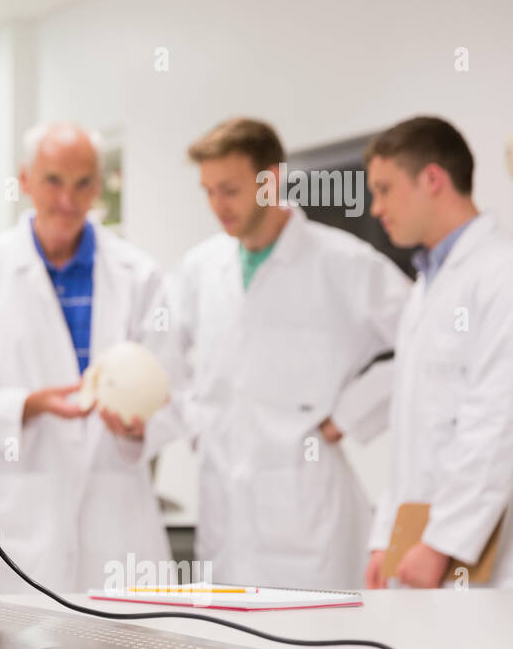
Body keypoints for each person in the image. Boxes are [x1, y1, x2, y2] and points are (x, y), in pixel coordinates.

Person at [149, 118, 411, 589]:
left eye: (228, 190)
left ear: (269, 181)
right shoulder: (200, 268)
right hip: (224, 507)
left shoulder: (342, 262)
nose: (216, 206)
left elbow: (419, 341)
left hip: (309, 510)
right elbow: (160, 352)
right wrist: (195, 418)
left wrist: (349, 415)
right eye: (207, 191)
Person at [0, 122, 171, 594]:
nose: (68, 198)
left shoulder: (140, 276)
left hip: (117, 517)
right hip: (23, 516)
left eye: (83, 182)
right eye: (53, 181)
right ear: (24, 180)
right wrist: (30, 404)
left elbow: (173, 387)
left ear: (99, 185)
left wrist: (140, 425)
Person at [363, 116, 513, 588]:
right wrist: (387, 536)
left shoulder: (500, 274)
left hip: (474, 548)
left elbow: (497, 419)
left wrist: (443, 542)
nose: (376, 208)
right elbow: (412, 433)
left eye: (385, 190)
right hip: (425, 539)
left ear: (432, 179)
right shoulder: (427, 287)